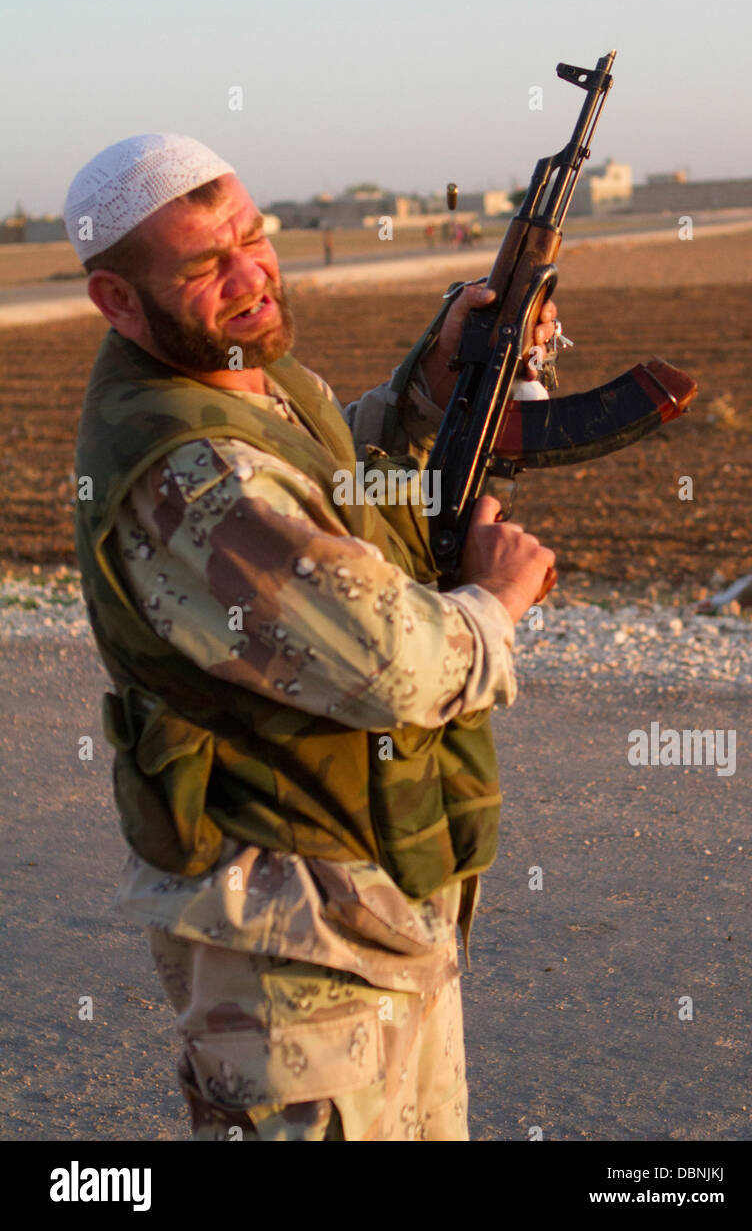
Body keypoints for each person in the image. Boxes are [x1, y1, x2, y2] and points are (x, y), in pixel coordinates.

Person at [65, 133, 557, 1142]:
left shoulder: (245, 379)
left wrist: (436, 385)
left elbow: (337, 489)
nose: (252, 275)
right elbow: (398, 665)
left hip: (372, 913)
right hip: (295, 970)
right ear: (117, 300)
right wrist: (497, 600)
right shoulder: (191, 470)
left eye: (255, 236)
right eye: (205, 267)